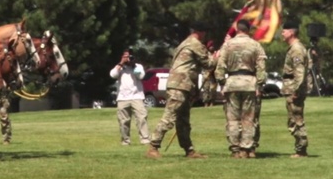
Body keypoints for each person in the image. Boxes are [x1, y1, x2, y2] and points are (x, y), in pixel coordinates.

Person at [146, 23, 215, 159]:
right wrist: (217, 56)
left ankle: (189, 150)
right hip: (180, 85)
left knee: (183, 120)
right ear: (200, 32)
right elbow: (209, 63)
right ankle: (153, 146)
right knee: (169, 117)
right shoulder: (195, 44)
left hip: (182, 84)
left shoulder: (184, 43)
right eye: (204, 33)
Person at [215, 20, 266, 159]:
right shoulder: (255, 45)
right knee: (248, 118)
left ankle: (235, 149)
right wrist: (260, 85)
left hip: (232, 84)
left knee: (233, 119)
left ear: (237, 29)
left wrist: (222, 84)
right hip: (250, 84)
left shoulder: (227, 45)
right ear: (248, 30)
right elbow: (261, 68)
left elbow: (220, 67)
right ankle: (247, 148)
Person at [280, 20, 311, 158]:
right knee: (294, 119)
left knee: (296, 119)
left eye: (284, 31)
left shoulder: (296, 49)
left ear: (291, 32)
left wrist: (296, 91)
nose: (282, 33)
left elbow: (299, 72)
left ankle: (301, 149)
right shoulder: (295, 48)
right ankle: (300, 148)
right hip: (292, 88)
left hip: (294, 90)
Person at [109, 49, 149, 146]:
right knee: (123, 121)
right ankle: (125, 140)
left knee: (141, 118)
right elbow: (112, 75)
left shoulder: (138, 66)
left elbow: (141, 76)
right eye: (125, 56)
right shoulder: (119, 67)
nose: (128, 58)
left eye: (129, 56)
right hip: (123, 97)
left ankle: (145, 139)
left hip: (137, 96)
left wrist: (133, 64)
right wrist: (121, 63)